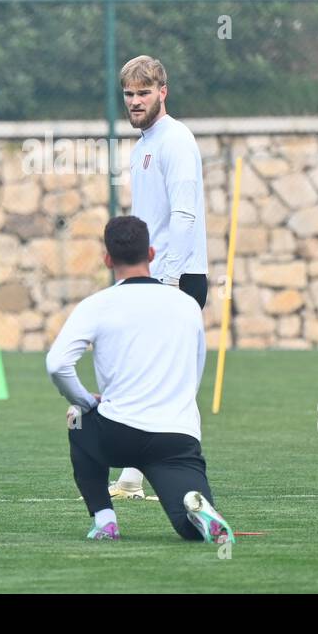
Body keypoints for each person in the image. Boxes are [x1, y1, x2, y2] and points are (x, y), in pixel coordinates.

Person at [47, 215, 233, 544]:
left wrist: (86, 402)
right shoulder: (188, 305)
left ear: (107, 260)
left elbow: (57, 364)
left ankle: (105, 521)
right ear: (151, 253)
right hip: (177, 436)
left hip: (119, 433)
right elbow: (196, 368)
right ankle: (196, 505)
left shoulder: (97, 305)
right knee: (189, 530)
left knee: (78, 419)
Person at [109, 55, 209, 501]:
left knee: (175, 384)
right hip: (153, 277)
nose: (135, 102)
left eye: (143, 93)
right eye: (129, 95)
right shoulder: (143, 144)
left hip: (179, 277)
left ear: (163, 92)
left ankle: (189, 481)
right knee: (146, 377)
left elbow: (184, 214)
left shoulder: (176, 140)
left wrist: (167, 282)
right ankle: (132, 480)